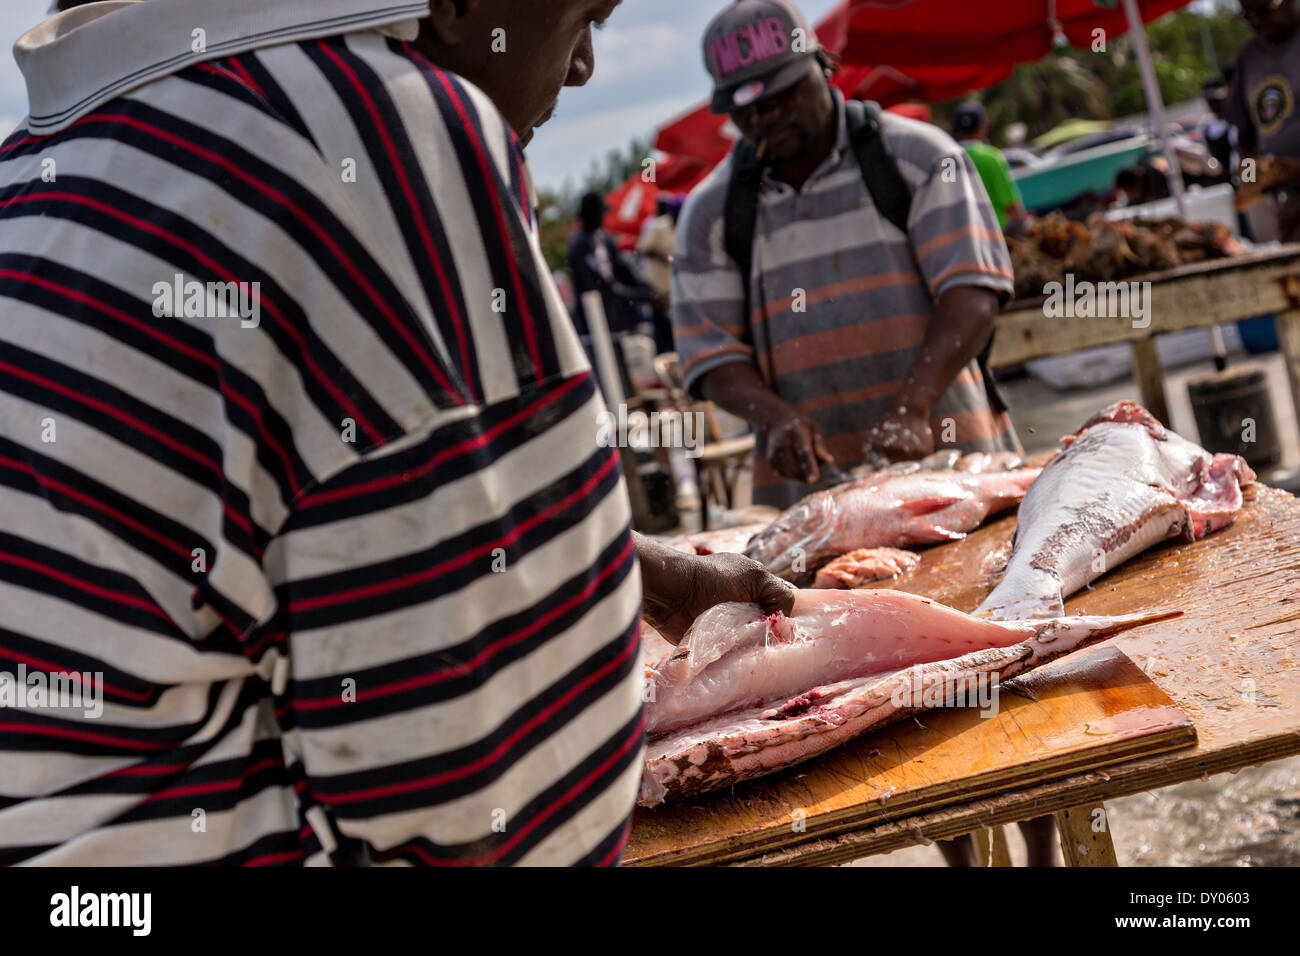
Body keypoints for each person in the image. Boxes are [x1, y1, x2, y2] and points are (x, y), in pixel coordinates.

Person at [0, 0, 793, 866]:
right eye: (583, 16)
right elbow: (490, 797)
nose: (584, 69)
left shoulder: (40, 172)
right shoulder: (376, 141)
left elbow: (222, 539)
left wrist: (616, 565)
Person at [672, 0, 1022, 515]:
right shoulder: (711, 213)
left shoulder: (920, 159)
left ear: (823, 67)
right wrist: (772, 418)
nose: (767, 116)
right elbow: (711, 355)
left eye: (782, 95)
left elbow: (972, 293)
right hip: (814, 502)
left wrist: (913, 408)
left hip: (957, 473)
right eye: (747, 110)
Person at [1227, 0, 1300, 241]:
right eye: (1246, 15)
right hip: (1290, 202)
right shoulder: (1249, 57)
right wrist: (1250, 180)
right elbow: (1245, 132)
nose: (1256, 20)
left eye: (1264, 11)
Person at [567, 192, 666, 341]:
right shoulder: (579, 246)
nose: (602, 218)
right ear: (590, 215)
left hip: (620, 322)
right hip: (594, 325)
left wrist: (650, 291)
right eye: (599, 214)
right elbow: (601, 288)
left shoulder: (604, 239)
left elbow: (624, 272)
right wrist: (642, 296)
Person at [952, 100, 1028, 235]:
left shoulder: (948, 160)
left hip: (962, 237)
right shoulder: (991, 157)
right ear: (982, 126)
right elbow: (1011, 205)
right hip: (994, 234)